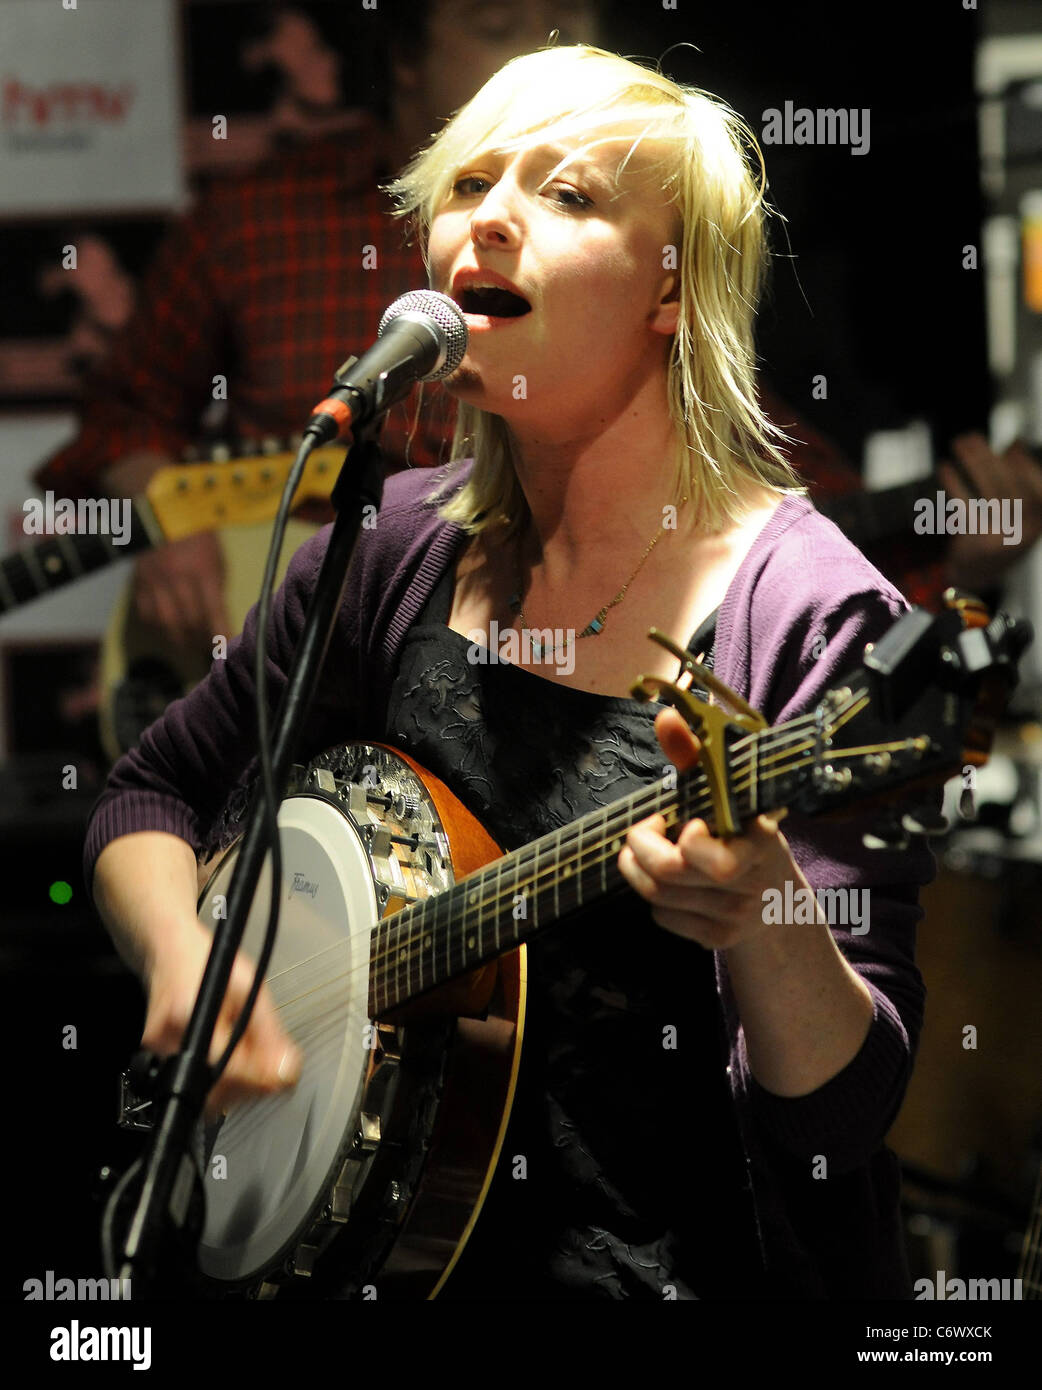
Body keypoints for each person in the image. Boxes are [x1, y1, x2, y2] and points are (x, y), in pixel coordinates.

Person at [86, 44, 937, 1299]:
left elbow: (838, 1124)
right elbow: (145, 797)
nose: (489, 217)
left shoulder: (807, 611)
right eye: (469, 182)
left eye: (569, 195)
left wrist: (763, 908)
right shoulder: (387, 553)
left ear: (670, 291)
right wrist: (186, 961)